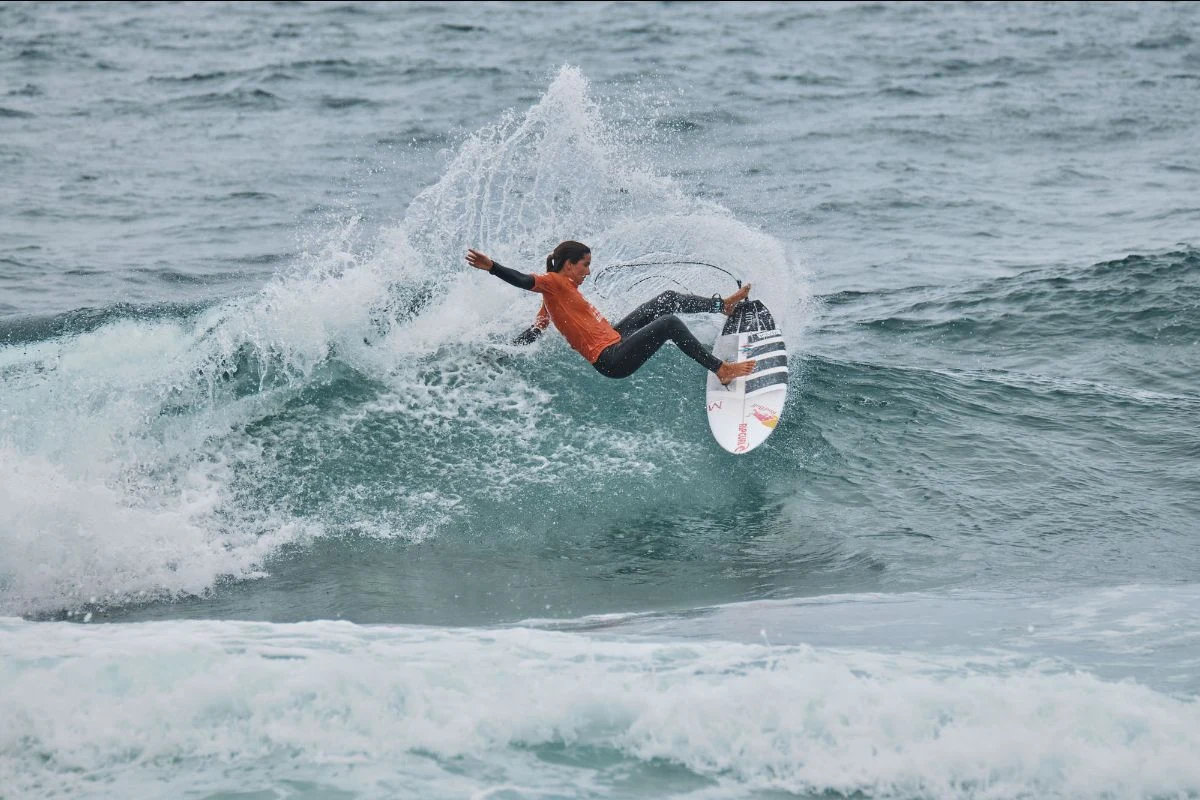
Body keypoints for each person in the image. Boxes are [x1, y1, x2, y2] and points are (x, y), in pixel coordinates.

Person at [466, 240, 757, 385]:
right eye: (584, 265)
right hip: (611, 359)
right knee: (668, 323)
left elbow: (536, 330)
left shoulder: (554, 296)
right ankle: (721, 370)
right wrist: (492, 267)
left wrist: (506, 351)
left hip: (616, 338)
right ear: (568, 265)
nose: (588, 271)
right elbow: (522, 280)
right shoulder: (551, 283)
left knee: (665, 300)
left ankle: (722, 306)